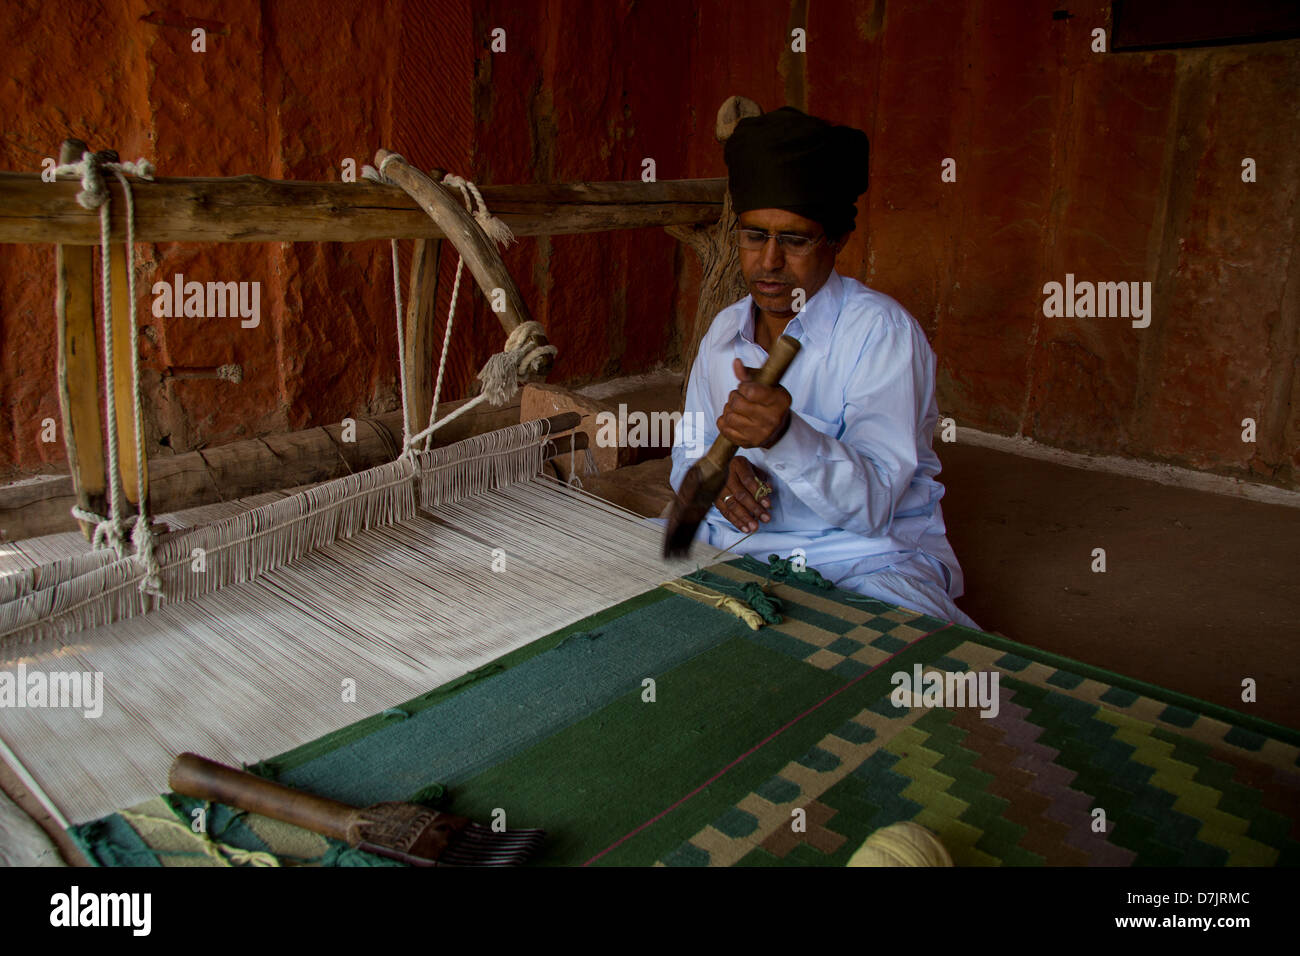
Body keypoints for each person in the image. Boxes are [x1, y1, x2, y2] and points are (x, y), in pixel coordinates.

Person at [670, 106, 979, 630]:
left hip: (863, 560)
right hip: (734, 548)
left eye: (794, 240)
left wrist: (786, 434)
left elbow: (875, 504)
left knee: (913, 682)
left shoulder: (881, 334)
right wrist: (713, 481)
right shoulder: (725, 331)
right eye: (754, 236)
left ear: (835, 240)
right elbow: (687, 453)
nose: (769, 262)